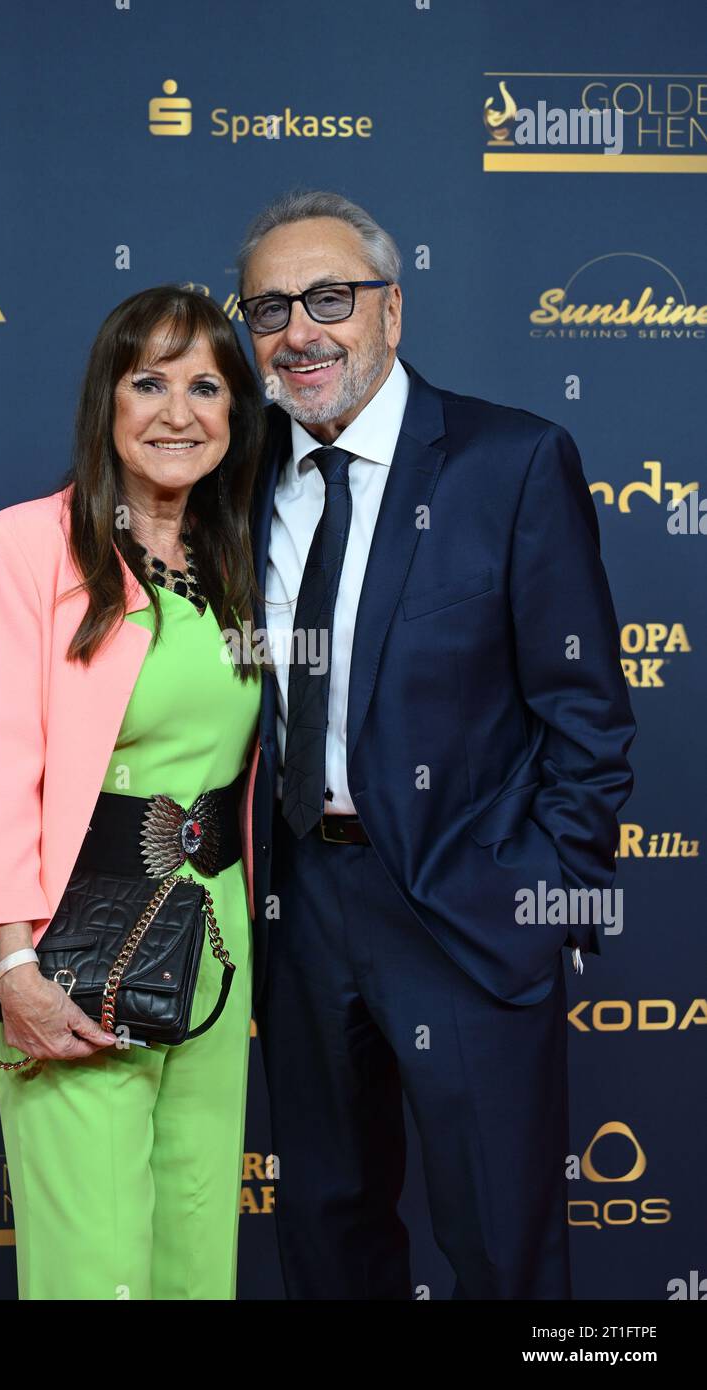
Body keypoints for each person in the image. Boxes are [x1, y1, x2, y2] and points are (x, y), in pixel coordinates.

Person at [236, 189, 637, 1299]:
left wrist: (545, 894)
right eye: (267, 308)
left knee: (500, 1250)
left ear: (391, 312)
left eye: (329, 297)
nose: (297, 331)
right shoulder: (241, 478)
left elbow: (584, 709)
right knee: (326, 1236)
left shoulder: (508, 462)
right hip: (301, 908)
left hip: (468, 907)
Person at [0, 285, 266, 1300]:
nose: (178, 412)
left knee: (195, 1244)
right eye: (148, 381)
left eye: (206, 385)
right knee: (95, 1271)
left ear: (235, 412)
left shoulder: (242, 558)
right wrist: (13, 964)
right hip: (70, 937)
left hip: (215, 931)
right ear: (105, 403)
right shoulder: (20, 546)